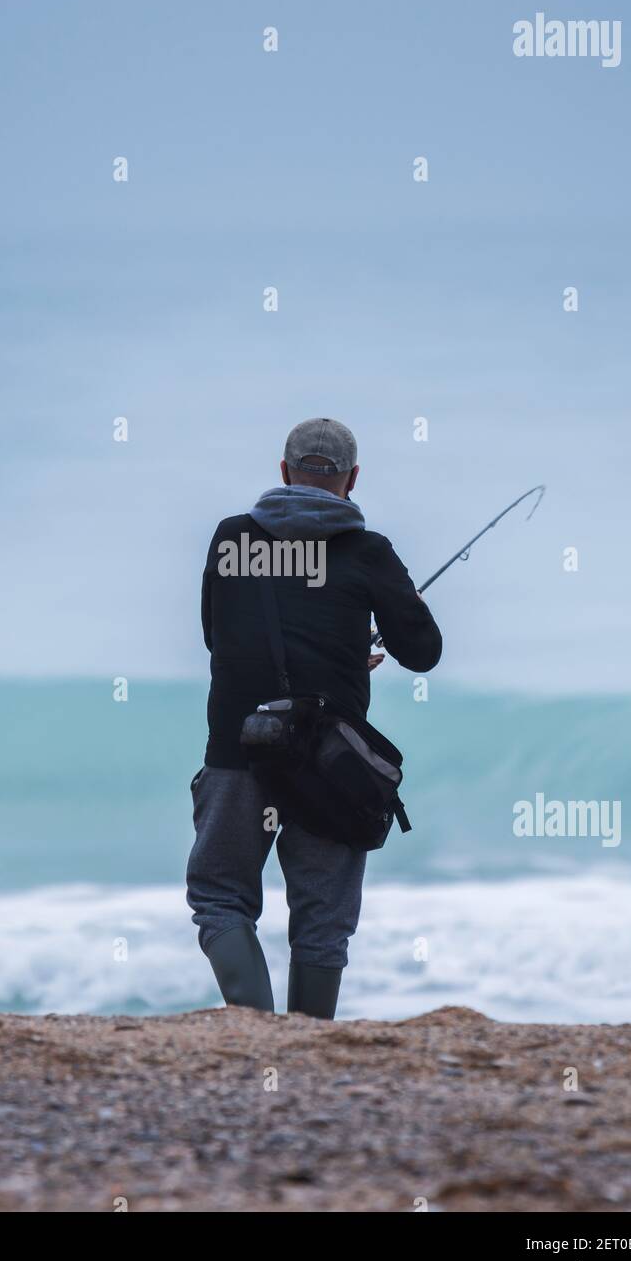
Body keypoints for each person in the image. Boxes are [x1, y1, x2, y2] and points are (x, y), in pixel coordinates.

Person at [186, 418, 442, 1019]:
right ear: (353, 479)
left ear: (283, 472)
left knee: (221, 898)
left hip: (237, 749)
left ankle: (257, 1035)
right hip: (329, 761)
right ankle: (307, 1052)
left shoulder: (232, 539)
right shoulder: (368, 551)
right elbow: (424, 652)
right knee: (322, 921)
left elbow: (215, 637)